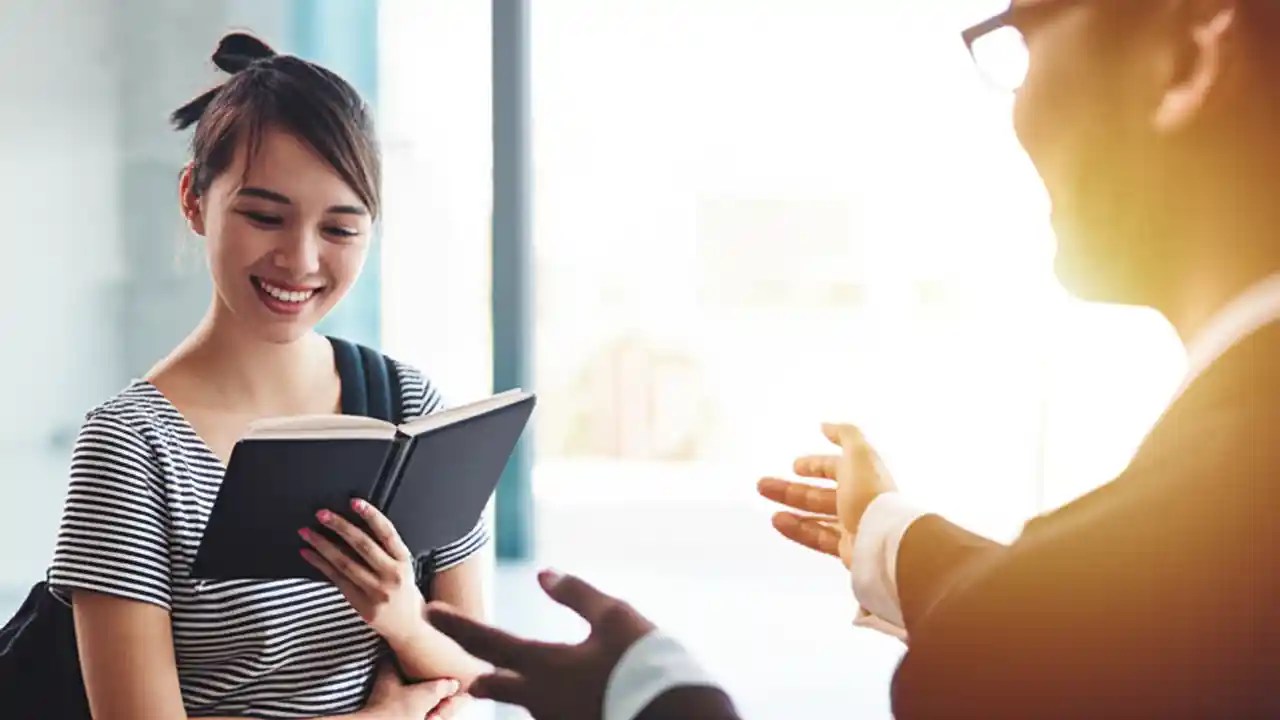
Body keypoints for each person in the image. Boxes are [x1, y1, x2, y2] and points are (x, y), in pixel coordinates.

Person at [426, 1, 1280, 717]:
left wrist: (656, 701)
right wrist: (888, 534)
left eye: (1022, 37)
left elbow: (1079, 625)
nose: (1017, 111)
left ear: (1186, 57)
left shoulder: (1101, 587)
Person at [46, 32, 490, 719]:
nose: (300, 260)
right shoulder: (132, 449)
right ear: (195, 198)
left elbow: (479, 682)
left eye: (340, 230)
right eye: (264, 216)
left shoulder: (410, 407)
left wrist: (400, 617)